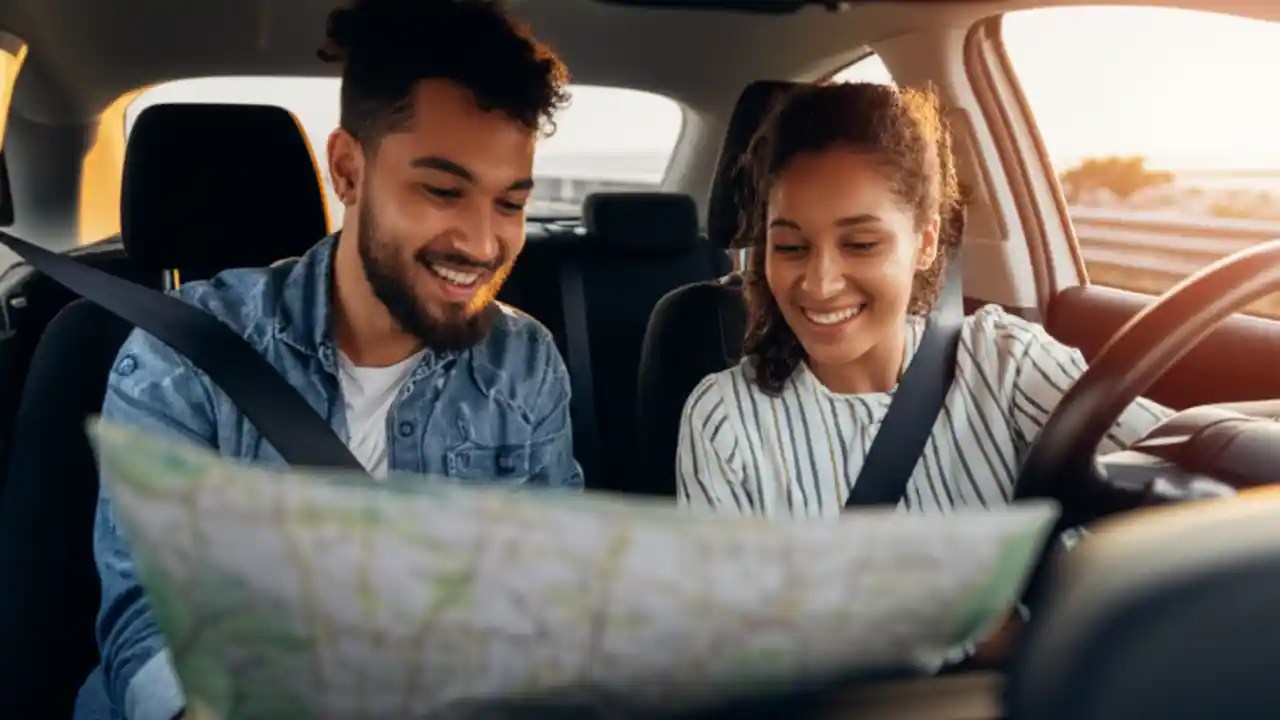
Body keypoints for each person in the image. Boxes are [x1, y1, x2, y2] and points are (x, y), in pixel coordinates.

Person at [76, 1, 578, 718]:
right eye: (442, 191)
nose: (481, 242)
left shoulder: (524, 364)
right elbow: (151, 627)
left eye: (509, 203)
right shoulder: (187, 354)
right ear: (348, 169)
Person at [676, 82, 1172, 516]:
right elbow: (731, 618)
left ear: (927, 241)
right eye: (791, 247)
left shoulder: (1005, 362)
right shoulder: (726, 419)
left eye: (861, 244)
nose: (820, 283)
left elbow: (1187, 463)